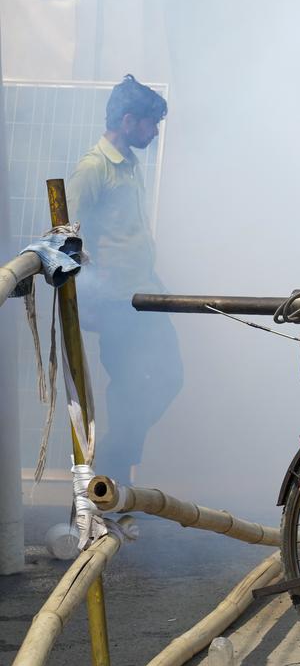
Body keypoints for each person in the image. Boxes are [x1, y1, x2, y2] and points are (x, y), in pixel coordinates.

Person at [66, 74, 182, 484]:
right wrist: (89, 294)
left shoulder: (129, 165)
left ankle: (115, 465)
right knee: (128, 386)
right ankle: (113, 483)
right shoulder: (93, 168)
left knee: (171, 377)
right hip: (116, 303)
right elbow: (65, 234)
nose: (153, 133)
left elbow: (130, 235)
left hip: (144, 295)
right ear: (129, 120)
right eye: (150, 124)